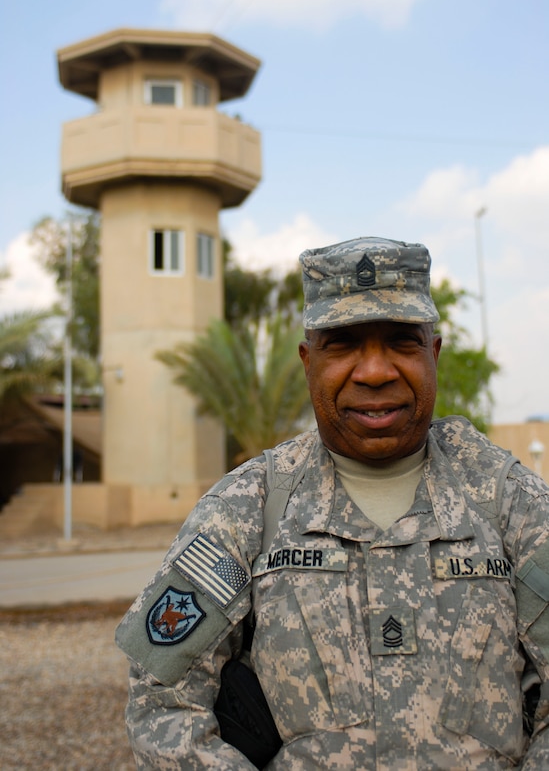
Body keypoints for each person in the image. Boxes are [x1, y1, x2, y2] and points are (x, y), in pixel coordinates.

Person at [116, 236, 549, 769]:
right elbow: (163, 704)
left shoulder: (510, 501)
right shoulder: (248, 507)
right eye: (343, 344)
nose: (374, 371)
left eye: (401, 341)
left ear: (432, 353)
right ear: (308, 361)